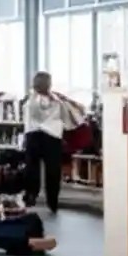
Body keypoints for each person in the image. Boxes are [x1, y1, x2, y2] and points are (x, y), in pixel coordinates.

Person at [23, 71, 83, 213]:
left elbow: (27, 116)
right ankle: (53, 202)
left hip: (33, 135)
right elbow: (70, 115)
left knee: (32, 168)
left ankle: (31, 195)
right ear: (49, 84)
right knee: (53, 170)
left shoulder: (29, 99)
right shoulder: (57, 100)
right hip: (52, 137)